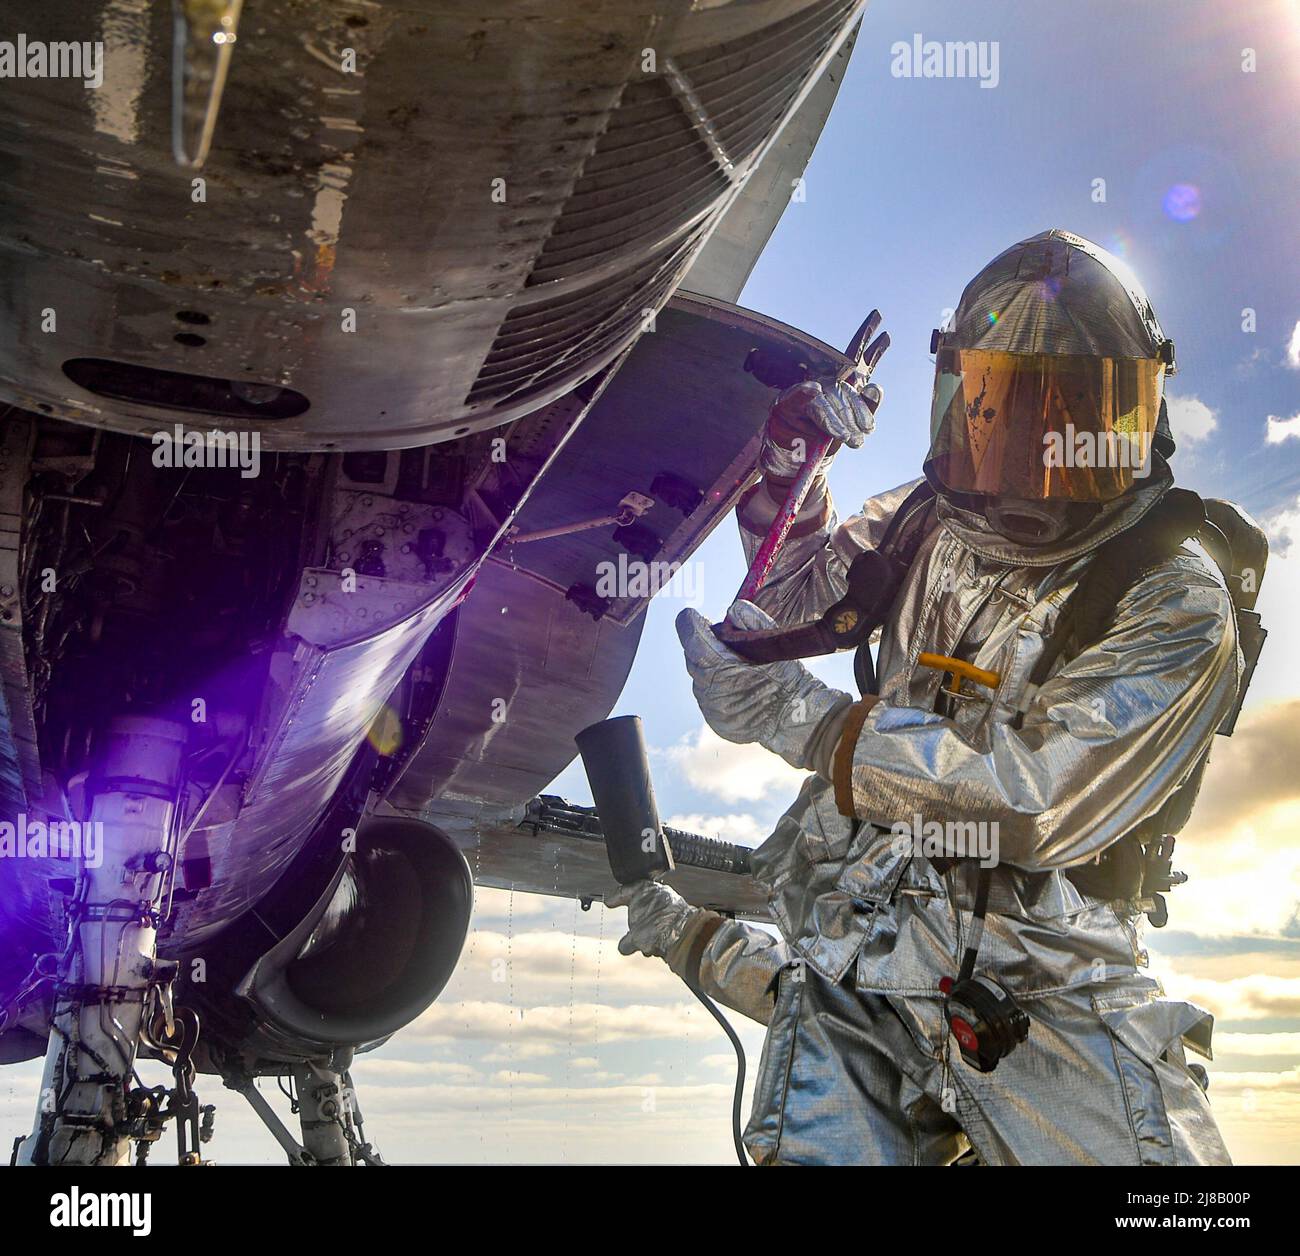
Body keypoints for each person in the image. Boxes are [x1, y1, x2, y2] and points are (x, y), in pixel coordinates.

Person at [610, 229, 1241, 1165]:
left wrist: (810, 724)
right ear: (956, 398)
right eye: (1001, 410)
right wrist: (792, 472)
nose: (1031, 453)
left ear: (1137, 416)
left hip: (1047, 983)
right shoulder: (922, 520)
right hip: (859, 934)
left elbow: (1034, 803)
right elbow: (783, 604)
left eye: (1068, 416)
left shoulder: (1175, 595)